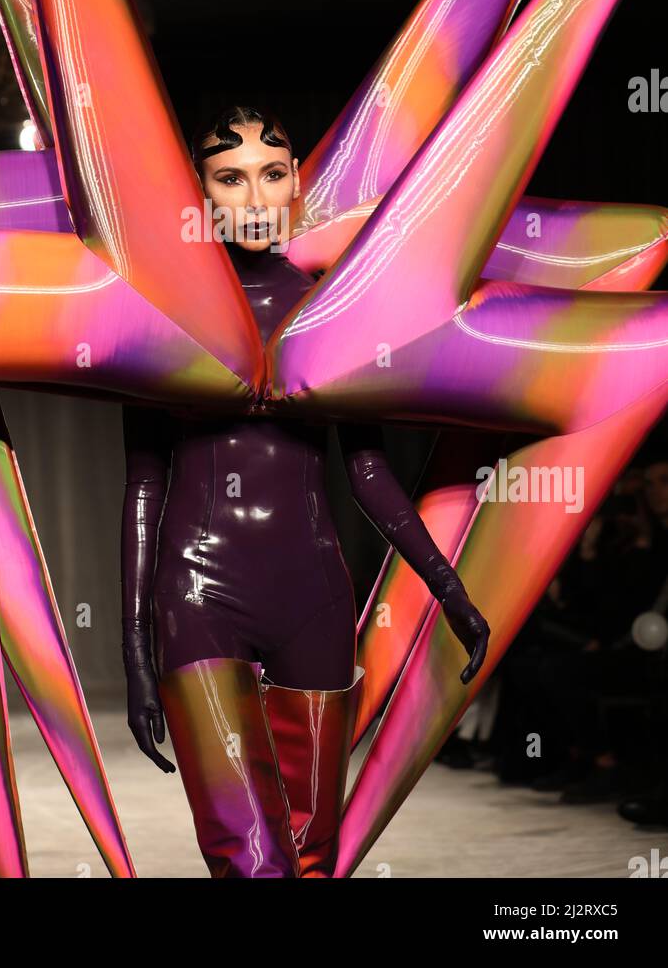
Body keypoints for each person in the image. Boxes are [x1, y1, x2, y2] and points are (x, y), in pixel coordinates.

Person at [120, 103, 490, 877]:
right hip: (196, 591)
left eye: (272, 174)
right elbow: (146, 478)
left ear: (296, 184)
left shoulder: (332, 304)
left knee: (313, 857)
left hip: (316, 593)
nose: (253, 197)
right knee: (250, 856)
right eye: (230, 177)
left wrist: (447, 586)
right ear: (198, 192)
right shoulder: (160, 306)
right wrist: (133, 644)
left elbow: (366, 467)